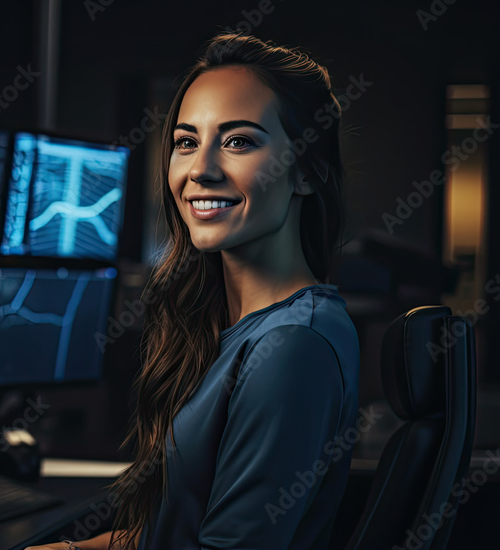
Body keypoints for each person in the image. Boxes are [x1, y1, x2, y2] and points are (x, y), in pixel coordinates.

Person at [26, 32, 360, 550]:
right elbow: (170, 537)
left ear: (306, 172)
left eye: (239, 141)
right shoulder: (244, 328)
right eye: (186, 141)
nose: (200, 170)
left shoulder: (293, 345)